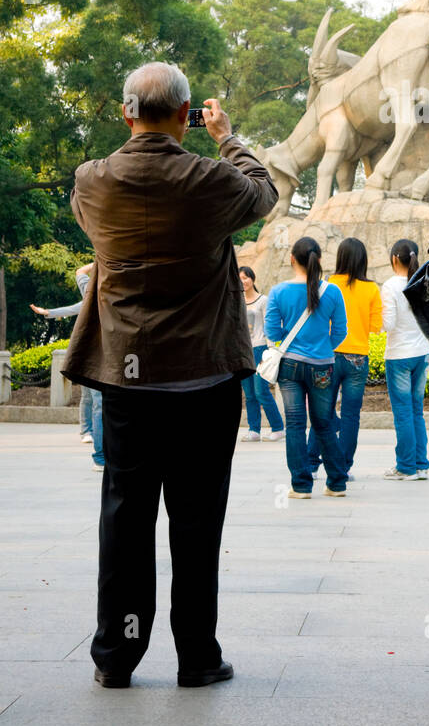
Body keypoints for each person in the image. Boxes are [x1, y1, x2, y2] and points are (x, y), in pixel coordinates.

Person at [62, 63, 278, 689]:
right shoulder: (210, 180)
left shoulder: (93, 181)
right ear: (186, 115)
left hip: (127, 383)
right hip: (203, 381)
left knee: (125, 521)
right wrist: (227, 137)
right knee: (195, 522)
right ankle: (197, 657)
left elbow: (93, 225)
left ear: (125, 114)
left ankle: (115, 659)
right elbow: (262, 190)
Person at [265, 236, 348, 498]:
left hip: (289, 366)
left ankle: (301, 486)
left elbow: (272, 331)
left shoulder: (278, 292)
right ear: (319, 259)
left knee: (295, 424)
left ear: (292, 259)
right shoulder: (333, 291)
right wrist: (323, 346)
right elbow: (341, 332)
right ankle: (336, 483)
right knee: (323, 424)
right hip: (323, 366)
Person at [307, 237, 382, 479]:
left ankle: (311, 464)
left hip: (328, 356)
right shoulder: (371, 289)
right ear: (363, 260)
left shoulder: (328, 284)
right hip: (357, 358)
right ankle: (342, 468)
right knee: (351, 415)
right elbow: (376, 327)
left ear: (340, 257)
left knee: (323, 410)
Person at [32, 263, 104, 470]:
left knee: (97, 402)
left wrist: (99, 258)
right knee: (96, 402)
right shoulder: (114, 295)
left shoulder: (91, 293)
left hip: (90, 358)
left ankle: (99, 456)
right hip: (109, 358)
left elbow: (80, 272)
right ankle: (89, 437)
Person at [381, 240, 429, 481]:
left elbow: (388, 324)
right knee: (416, 411)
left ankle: (406, 467)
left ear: (393, 259)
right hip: (421, 354)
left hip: (399, 356)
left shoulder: (390, 286)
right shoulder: (422, 282)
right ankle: (421, 465)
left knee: (402, 413)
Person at [238, 265, 285, 443]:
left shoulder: (263, 301)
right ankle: (254, 430)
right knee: (249, 393)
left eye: (245, 277)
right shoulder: (237, 301)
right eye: (239, 278)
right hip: (243, 351)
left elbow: (269, 325)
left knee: (261, 391)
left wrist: (271, 350)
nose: (243, 281)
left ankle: (278, 428)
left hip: (260, 349)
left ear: (252, 278)